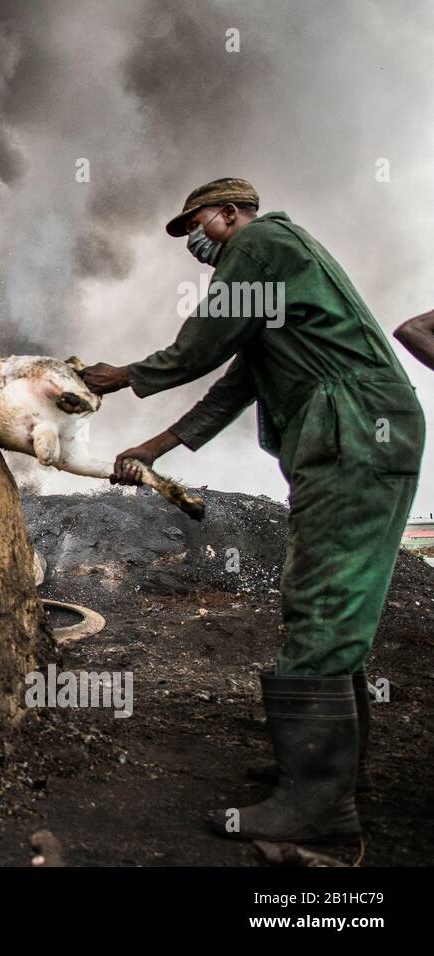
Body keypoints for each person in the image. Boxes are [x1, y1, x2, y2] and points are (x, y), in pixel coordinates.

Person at [79, 178, 424, 844]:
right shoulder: (276, 297)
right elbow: (234, 385)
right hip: (357, 432)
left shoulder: (263, 241)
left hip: (354, 431)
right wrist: (151, 449)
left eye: (199, 227)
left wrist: (121, 375)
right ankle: (331, 775)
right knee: (335, 600)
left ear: (231, 214)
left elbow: (202, 345)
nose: (196, 244)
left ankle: (319, 806)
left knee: (321, 602)